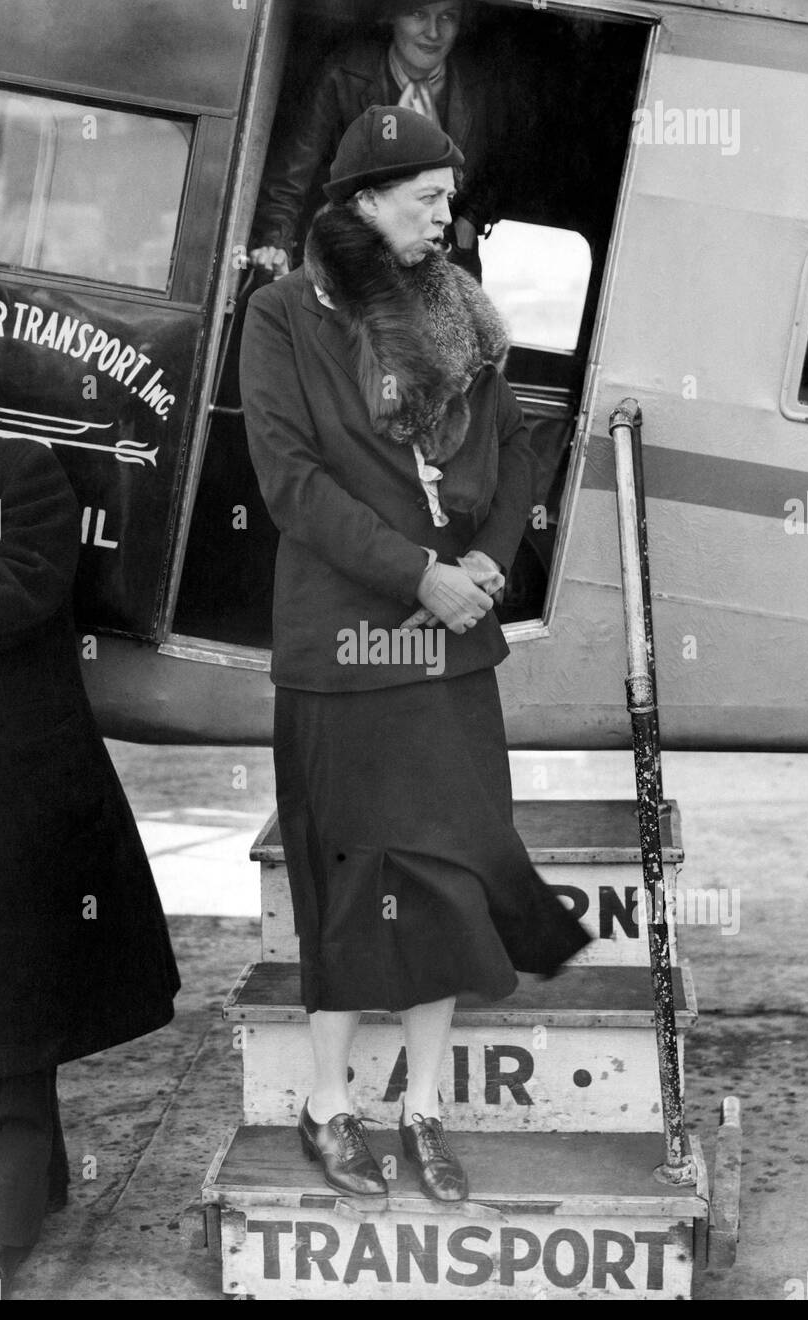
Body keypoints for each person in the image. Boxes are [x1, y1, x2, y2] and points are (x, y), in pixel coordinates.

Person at [239, 107, 589, 1205]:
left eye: (448, 194)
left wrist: (485, 558)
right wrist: (418, 576)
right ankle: (328, 1103)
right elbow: (291, 482)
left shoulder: (463, 316)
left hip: (448, 653)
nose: (449, 213)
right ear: (362, 202)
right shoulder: (283, 315)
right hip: (344, 652)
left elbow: (519, 450)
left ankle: (423, 1107)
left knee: (446, 886)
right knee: (350, 892)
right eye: (427, 195)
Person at [0, 310, 180, 1297]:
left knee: (7, 1011)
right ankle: (19, 1175)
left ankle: (0, 1237)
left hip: (16, 791)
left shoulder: (20, 474)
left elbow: (21, 589)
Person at [250, 1, 494, 281]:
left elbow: (497, 163)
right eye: (417, 14)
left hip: (437, 257)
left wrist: (469, 221)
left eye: (448, 17)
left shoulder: (477, 90)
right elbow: (292, 174)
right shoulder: (344, 74)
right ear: (392, 16)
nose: (433, 32)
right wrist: (275, 242)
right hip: (350, 251)